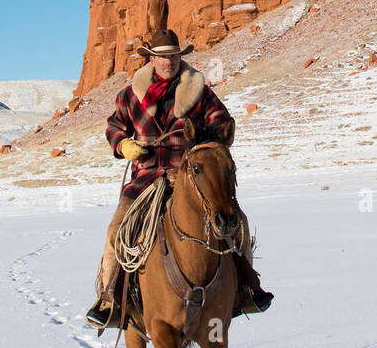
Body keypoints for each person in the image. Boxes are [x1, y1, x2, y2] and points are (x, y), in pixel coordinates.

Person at [84, 28, 272, 329]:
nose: (168, 61)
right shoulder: (131, 94)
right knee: (116, 230)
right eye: (162, 56)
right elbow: (114, 126)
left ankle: (245, 289)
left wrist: (207, 140)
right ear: (152, 59)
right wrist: (123, 144)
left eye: (172, 56)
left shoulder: (199, 91)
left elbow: (221, 121)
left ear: (179, 58)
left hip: (190, 178)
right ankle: (110, 299)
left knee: (235, 221)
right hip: (145, 179)